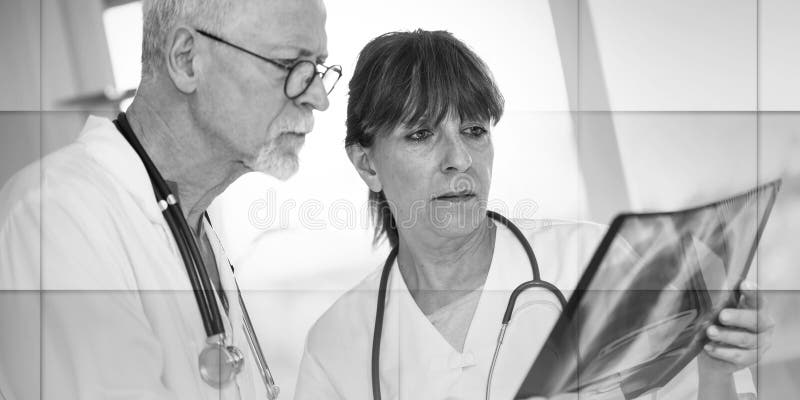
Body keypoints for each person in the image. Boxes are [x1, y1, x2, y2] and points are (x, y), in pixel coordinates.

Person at [294, 29, 774, 400]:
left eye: (475, 130)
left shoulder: (600, 264)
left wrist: (715, 366)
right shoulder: (335, 346)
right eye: (421, 135)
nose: (458, 158)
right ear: (367, 163)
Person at [0, 0, 338, 398]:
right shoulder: (55, 216)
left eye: (317, 68)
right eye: (291, 65)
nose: (318, 97)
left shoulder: (190, 222)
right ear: (187, 59)